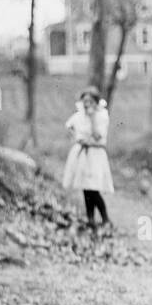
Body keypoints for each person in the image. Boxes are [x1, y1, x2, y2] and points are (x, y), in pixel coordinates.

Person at [62, 87, 114, 232]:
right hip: (83, 153)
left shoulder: (102, 116)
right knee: (85, 187)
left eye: (90, 101)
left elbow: (98, 136)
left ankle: (105, 218)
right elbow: (70, 126)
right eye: (84, 101)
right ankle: (90, 218)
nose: (87, 105)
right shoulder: (79, 116)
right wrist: (77, 138)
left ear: (96, 102)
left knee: (93, 188)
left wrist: (92, 118)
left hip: (95, 154)